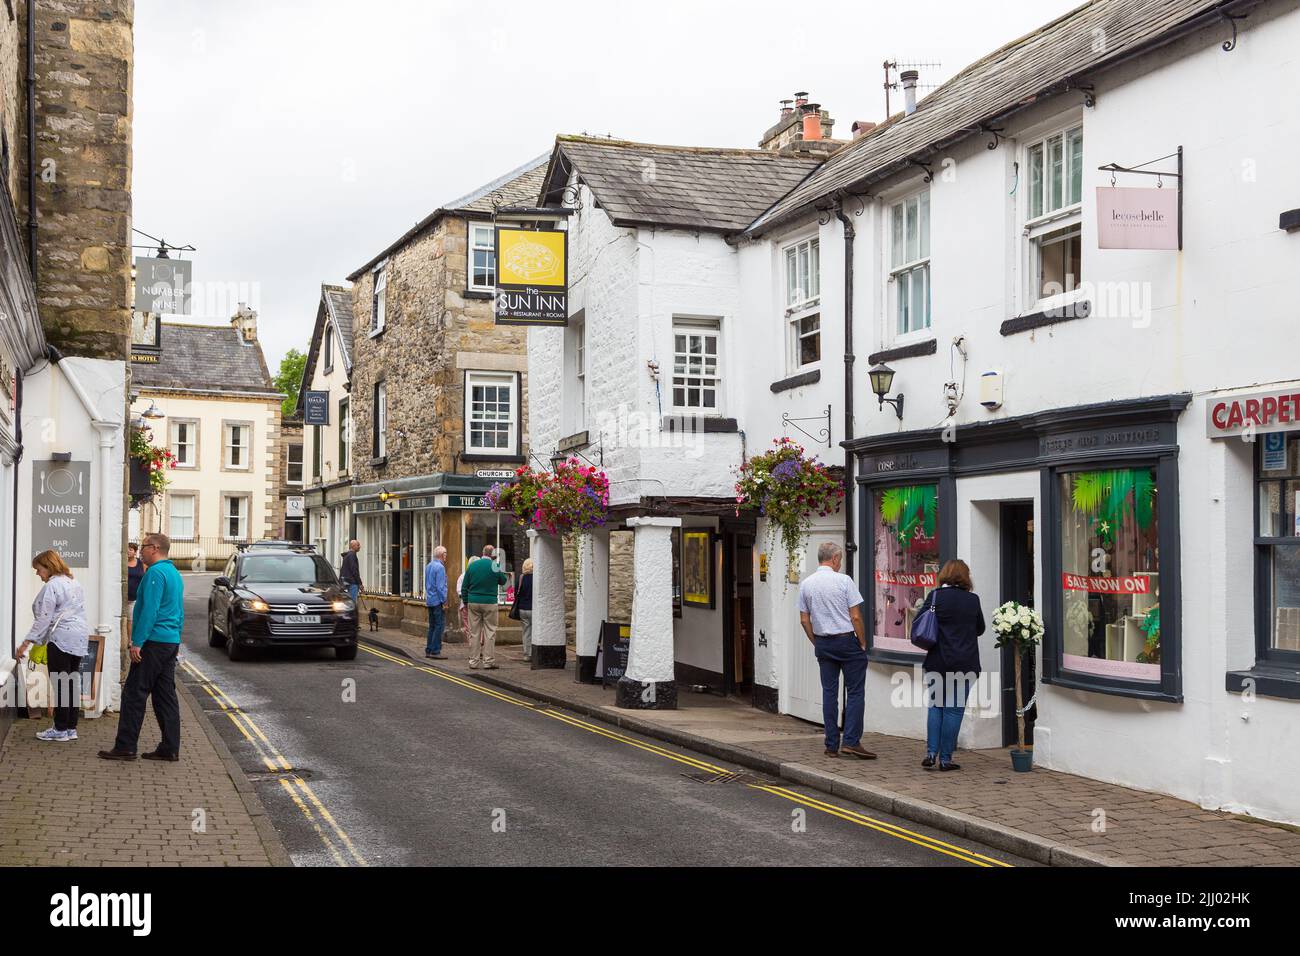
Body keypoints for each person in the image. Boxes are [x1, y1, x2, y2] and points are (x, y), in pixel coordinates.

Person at [99, 533, 184, 762]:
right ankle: (169, 748)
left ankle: (125, 747)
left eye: (144, 546)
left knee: (134, 694)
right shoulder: (174, 573)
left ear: (155, 548)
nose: (139, 551)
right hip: (169, 641)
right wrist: (176, 637)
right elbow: (179, 610)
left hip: (153, 642)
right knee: (165, 696)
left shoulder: (155, 573)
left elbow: (149, 611)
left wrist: (137, 642)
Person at [798, 541, 875, 759]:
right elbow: (856, 616)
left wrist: (817, 642)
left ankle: (831, 744)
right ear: (833, 559)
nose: (840, 563)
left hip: (824, 643)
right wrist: (862, 642)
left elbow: (804, 620)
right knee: (855, 692)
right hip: (847, 642)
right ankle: (851, 741)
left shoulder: (807, 584)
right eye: (839, 560)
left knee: (829, 694)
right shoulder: (844, 581)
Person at [16, 550, 89, 742]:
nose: (38, 574)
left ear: (48, 567)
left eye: (39, 569)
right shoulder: (74, 582)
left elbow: (44, 618)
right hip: (79, 637)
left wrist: (26, 644)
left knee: (61, 684)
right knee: (72, 682)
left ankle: (60, 728)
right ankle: (71, 728)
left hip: (61, 639)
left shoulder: (52, 586)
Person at [921, 558, 985, 772]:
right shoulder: (972, 600)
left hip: (937, 661)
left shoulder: (935, 596)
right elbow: (980, 628)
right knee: (954, 711)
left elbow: (921, 624)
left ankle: (931, 753)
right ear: (965, 577)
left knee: (936, 706)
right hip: (964, 663)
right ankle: (946, 759)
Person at [460, 545, 507, 670]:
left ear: (482, 553)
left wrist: (466, 601)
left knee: (474, 633)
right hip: (490, 602)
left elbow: (464, 586)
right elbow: (503, 581)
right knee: (490, 632)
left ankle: (473, 662)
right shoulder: (494, 566)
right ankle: (488, 661)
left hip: (473, 601)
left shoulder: (473, 565)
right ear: (493, 555)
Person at [424, 545, 448, 660]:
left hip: (430, 599)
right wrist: (444, 600)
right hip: (438, 600)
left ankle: (429, 649)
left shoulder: (428, 566)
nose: (446, 556)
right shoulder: (440, 568)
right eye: (445, 554)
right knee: (439, 626)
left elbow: (426, 584)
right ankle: (435, 650)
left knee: (432, 626)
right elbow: (440, 587)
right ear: (442, 555)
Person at [124, 541, 144, 674]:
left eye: (131, 549)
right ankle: (125, 638)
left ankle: (130, 639)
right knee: (125, 619)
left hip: (134, 597)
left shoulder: (141, 564)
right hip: (123, 597)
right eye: (127, 549)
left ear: (135, 551)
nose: (129, 551)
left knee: (131, 619)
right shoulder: (122, 562)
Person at [512, 558, 534, 663]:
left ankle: (526, 654)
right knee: (534, 632)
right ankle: (534, 653)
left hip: (522, 609)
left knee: (526, 632)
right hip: (533, 609)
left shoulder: (521, 578)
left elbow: (516, 592)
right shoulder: (536, 578)